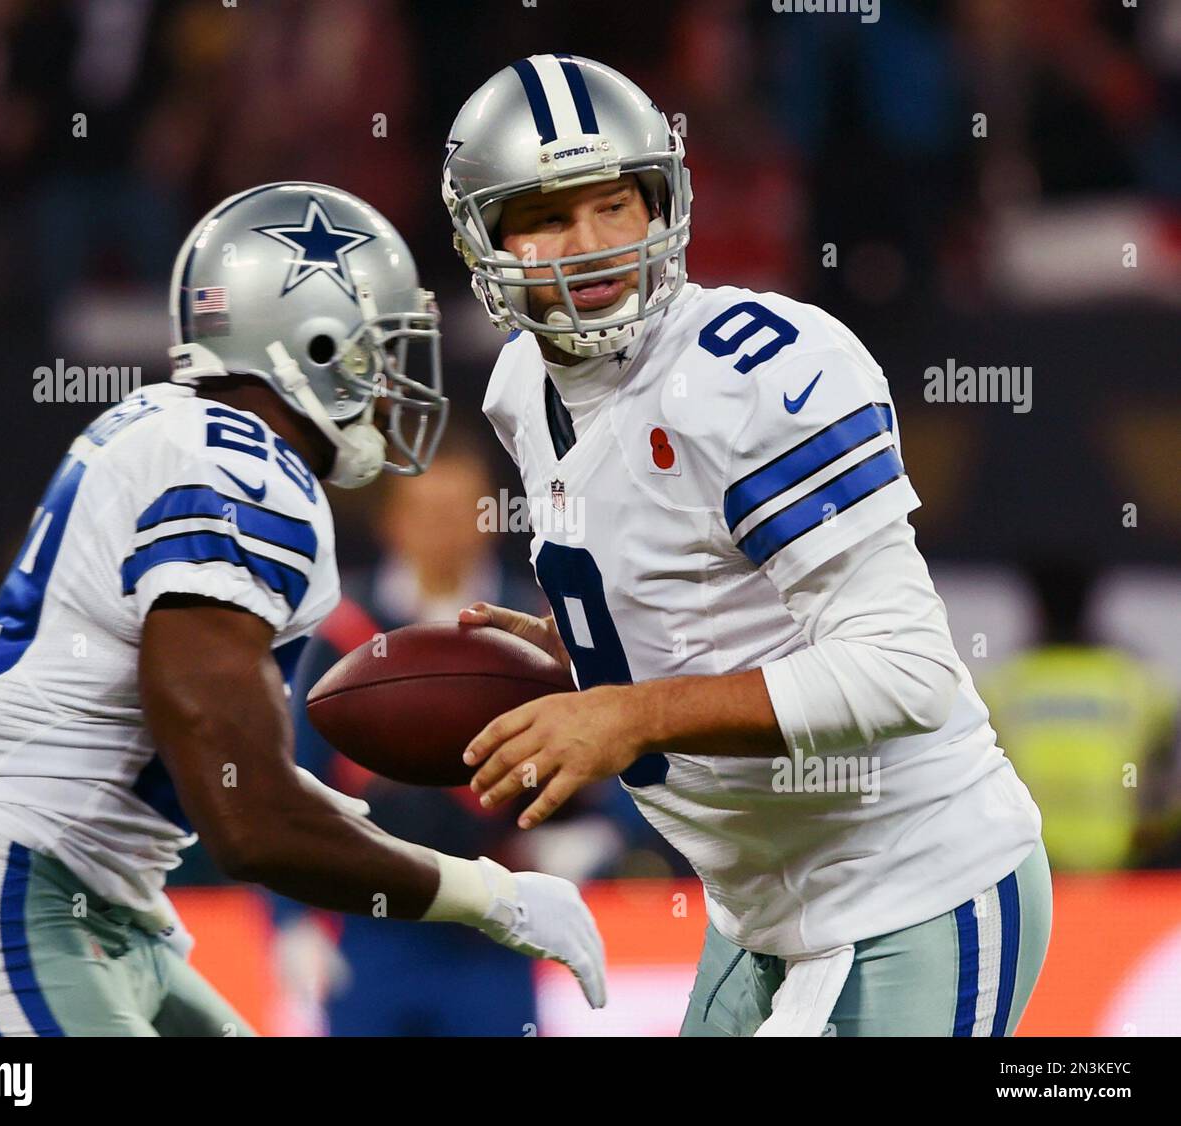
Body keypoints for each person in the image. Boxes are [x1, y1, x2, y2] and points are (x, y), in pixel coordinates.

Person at [0, 181, 604, 1037]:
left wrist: (282, 786)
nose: (392, 383)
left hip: (101, 909)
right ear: (319, 340)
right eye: (380, 348)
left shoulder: (174, 427)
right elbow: (251, 827)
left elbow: (186, 726)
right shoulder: (242, 473)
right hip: (14, 897)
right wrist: (490, 895)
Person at [441, 56, 1051, 1037]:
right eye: (547, 216)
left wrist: (634, 709)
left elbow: (905, 674)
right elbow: (699, 584)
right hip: (759, 912)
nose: (590, 246)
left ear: (664, 204)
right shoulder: (520, 385)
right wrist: (595, 653)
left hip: (915, 888)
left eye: (614, 205)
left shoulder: (756, 372)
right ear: (485, 236)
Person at [271, 441, 629, 1036]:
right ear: (392, 520)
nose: (443, 529)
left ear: (488, 519)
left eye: (459, 511)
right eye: (425, 511)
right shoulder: (340, 631)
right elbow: (290, 783)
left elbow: (620, 732)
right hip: (372, 925)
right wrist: (289, 920)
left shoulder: (541, 626)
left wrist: (603, 830)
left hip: (496, 930)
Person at [981, 563, 1181, 872]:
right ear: (1093, 606)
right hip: (1120, 870)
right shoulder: (1140, 682)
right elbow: (1167, 788)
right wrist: (1150, 840)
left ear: (1037, 610)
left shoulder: (1001, 684)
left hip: (1028, 867)